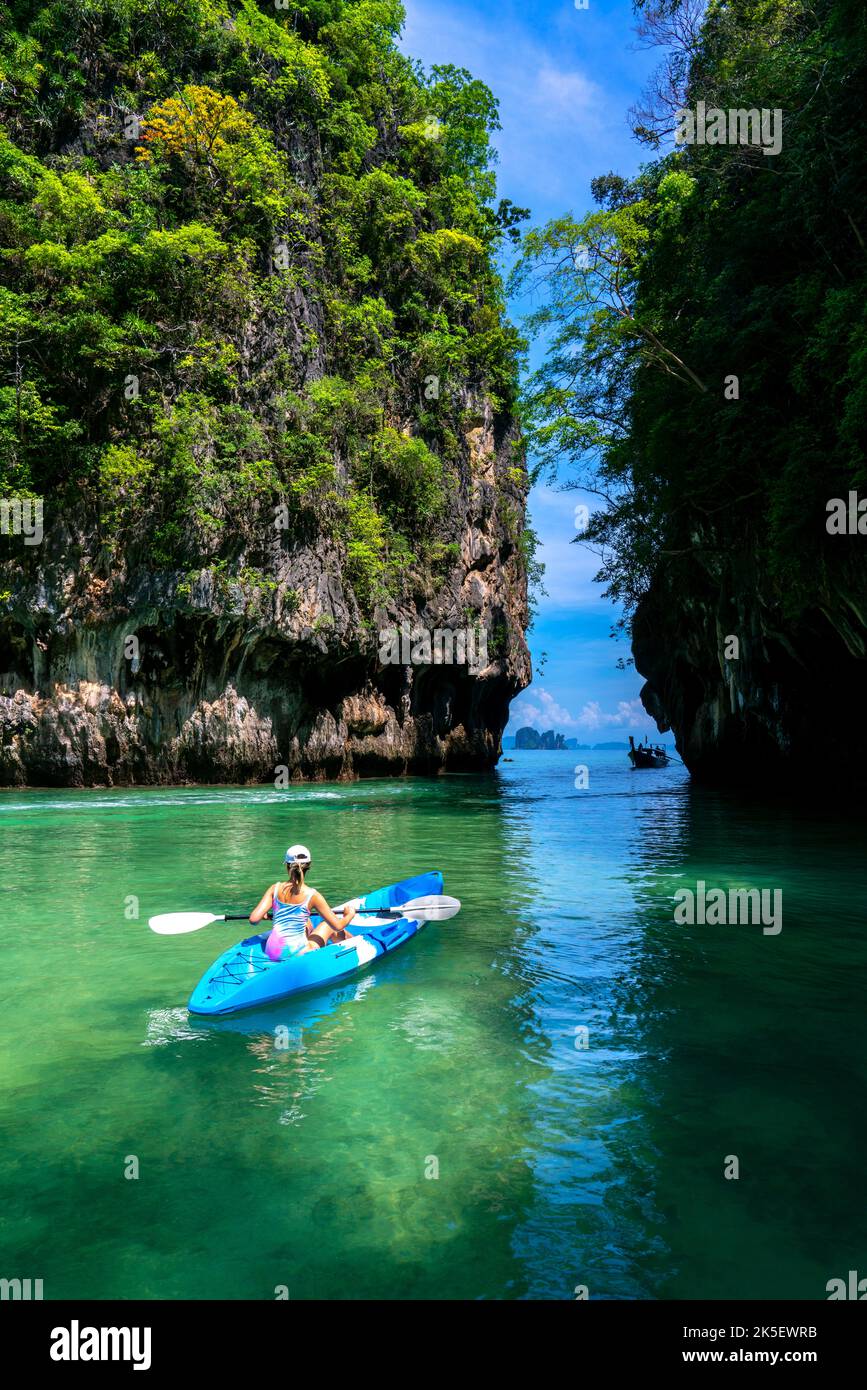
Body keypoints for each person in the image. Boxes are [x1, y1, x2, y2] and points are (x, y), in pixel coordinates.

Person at [250, 845, 359, 960]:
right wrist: (349, 915)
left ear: (287, 865)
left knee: (307, 922)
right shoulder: (313, 895)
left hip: (272, 951)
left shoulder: (275, 888)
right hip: (296, 953)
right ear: (309, 866)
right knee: (327, 925)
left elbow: (253, 920)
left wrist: (266, 915)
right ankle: (356, 944)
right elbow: (337, 926)